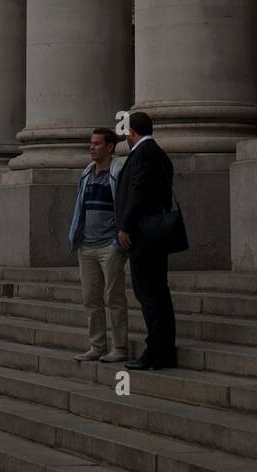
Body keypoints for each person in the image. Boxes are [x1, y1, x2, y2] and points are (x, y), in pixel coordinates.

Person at [115, 111, 177, 370]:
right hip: (152, 234)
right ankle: (163, 351)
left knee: (149, 293)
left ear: (131, 132)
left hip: (144, 235)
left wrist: (125, 226)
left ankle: (156, 353)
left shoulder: (145, 153)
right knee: (157, 293)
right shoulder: (157, 152)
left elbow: (138, 192)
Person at [68, 129, 129, 364]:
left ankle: (120, 347)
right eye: (91, 144)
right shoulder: (86, 173)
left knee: (114, 297)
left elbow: (124, 205)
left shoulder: (118, 172)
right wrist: (77, 236)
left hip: (109, 246)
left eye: (97, 144)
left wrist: (118, 240)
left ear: (110, 147)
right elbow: (79, 208)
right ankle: (97, 345)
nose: (92, 147)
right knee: (91, 298)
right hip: (87, 246)